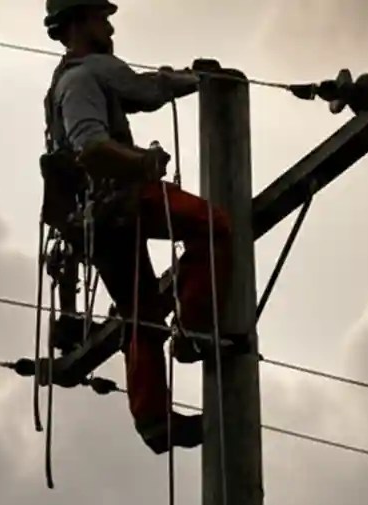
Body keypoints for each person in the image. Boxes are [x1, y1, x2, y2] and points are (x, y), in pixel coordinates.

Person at [41, 0, 233, 455]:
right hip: (120, 198)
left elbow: (145, 90)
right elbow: (91, 147)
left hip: (95, 218)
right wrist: (142, 163)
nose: (109, 25)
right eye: (100, 17)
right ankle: (196, 330)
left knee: (141, 314)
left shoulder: (76, 79)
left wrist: (191, 79)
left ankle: (154, 422)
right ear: (78, 22)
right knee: (215, 226)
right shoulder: (85, 76)